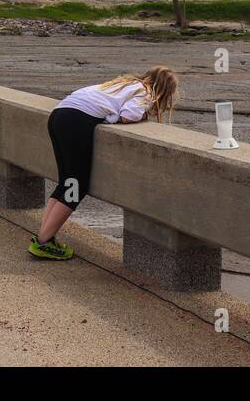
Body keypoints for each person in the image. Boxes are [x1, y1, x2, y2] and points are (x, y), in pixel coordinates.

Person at [29, 66, 180, 261]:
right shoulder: (145, 92)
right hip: (76, 121)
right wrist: (143, 115)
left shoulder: (122, 83)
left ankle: (44, 237)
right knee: (77, 186)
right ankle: (43, 242)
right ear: (164, 90)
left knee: (67, 182)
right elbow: (129, 115)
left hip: (59, 115)